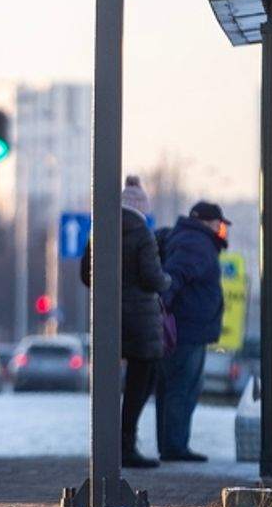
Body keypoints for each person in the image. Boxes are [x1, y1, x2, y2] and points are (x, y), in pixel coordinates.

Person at [81, 176, 172, 469]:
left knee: (108, 383)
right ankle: (127, 443)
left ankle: (108, 444)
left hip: (109, 317)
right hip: (141, 323)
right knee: (140, 383)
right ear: (142, 208)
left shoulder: (100, 231)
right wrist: (166, 279)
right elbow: (152, 278)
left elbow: (86, 275)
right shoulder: (144, 235)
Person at [156, 200, 228, 462]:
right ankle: (175, 447)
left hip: (183, 328)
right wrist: (161, 308)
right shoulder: (196, 243)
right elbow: (174, 276)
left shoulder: (187, 238)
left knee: (172, 388)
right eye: (219, 224)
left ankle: (170, 444)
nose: (222, 230)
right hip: (187, 330)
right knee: (183, 388)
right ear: (209, 223)